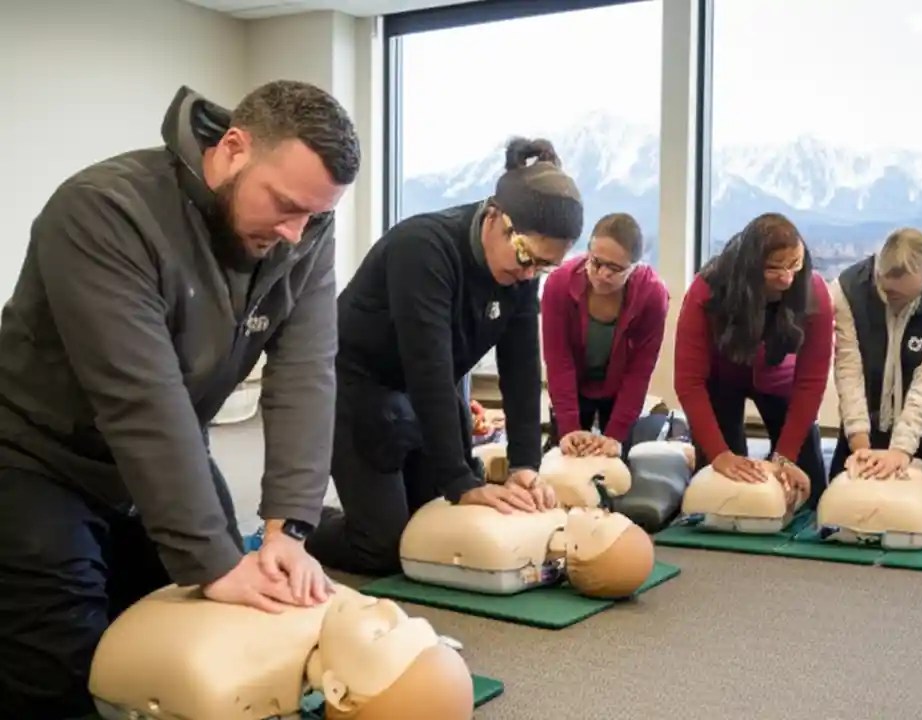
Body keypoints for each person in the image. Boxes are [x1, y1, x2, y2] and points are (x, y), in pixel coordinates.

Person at [0, 81, 361, 717]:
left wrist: (288, 528)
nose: (294, 233)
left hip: (161, 457)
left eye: (312, 215)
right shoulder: (103, 210)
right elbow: (141, 397)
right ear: (232, 148)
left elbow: (306, 371)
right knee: (63, 665)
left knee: (205, 640)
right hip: (36, 457)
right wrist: (214, 560)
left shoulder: (304, 227)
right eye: (282, 205)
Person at [306, 137, 580, 576]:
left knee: (434, 528)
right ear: (495, 216)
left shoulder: (521, 275)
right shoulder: (425, 248)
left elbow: (523, 369)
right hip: (356, 384)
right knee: (383, 548)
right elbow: (427, 366)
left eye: (543, 267)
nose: (529, 274)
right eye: (527, 256)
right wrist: (459, 481)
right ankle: (299, 529)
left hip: (426, 390)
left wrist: (525, 465)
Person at [673, 212, 833, 507]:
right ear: (750, 266)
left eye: (794, 264)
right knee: (723, 482)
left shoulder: (815, 292)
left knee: (808, 487)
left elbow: (811, 381)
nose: (786, 277)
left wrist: (784, 455)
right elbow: (688, 381)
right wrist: (719, 454)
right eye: (773, 268)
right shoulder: (706, 290)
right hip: (721, 379)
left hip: (779, 379)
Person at [829, 227, 922, 518]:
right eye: (886, 291)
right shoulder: (847, 289)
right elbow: (848, 370)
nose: (892, 300)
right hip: (872, 407)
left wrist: (901, 451)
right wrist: (860, 444)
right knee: (844, 499)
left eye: (901, 296)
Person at [541, 212, 669, 458]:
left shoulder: (652, 296)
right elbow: (559, 361)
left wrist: (615, 436)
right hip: (573, 386)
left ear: (634, 266)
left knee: (613, 461)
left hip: (619, 389)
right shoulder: (559, 284)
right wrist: (568, 428)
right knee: (565, 456)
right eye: (596, 262)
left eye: (615, 268)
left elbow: (639, 372)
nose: (602, 274)